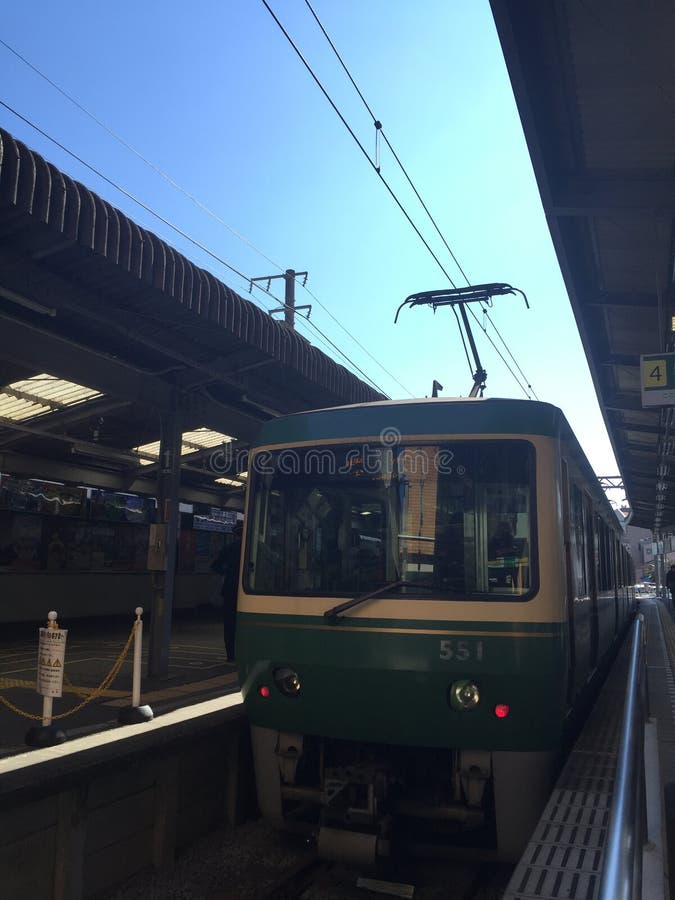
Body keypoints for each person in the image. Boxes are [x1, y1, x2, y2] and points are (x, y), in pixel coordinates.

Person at [212, 522, 244, 662]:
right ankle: (243, 651)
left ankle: (230, 654)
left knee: (229, 624)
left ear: (235, 534)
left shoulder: (228, 548)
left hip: (230, 589)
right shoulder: (254, 547)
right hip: (249, 592)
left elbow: (215, 566)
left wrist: (227, 571)